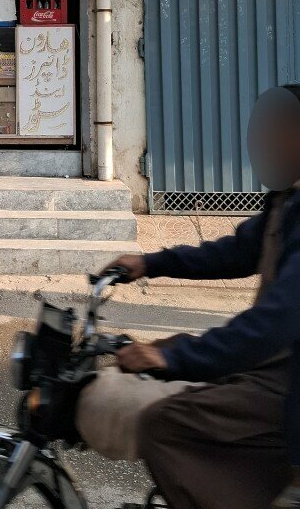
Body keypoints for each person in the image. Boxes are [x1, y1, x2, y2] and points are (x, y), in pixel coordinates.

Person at [103, 84, 300, 509]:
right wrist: (151, 263)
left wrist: (173, 358)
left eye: (281, 132)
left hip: (287, 385)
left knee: (165, 424)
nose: (266, 143)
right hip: (272, 368)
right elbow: (231, 252)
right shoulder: (286, 203)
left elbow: (273, 323)